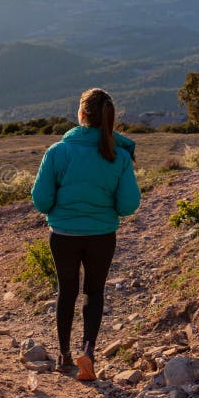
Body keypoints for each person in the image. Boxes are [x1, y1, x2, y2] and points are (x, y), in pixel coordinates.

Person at [30, 88, 141, 381]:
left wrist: (63, 208)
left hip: (63, 235)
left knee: (66, 291)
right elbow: (128, 205)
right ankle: (88, 353)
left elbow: (40, 200)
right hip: (102, 236)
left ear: (81, 115)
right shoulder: (117, 156)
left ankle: (64, 356)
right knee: (94, 292)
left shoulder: (57, 152)